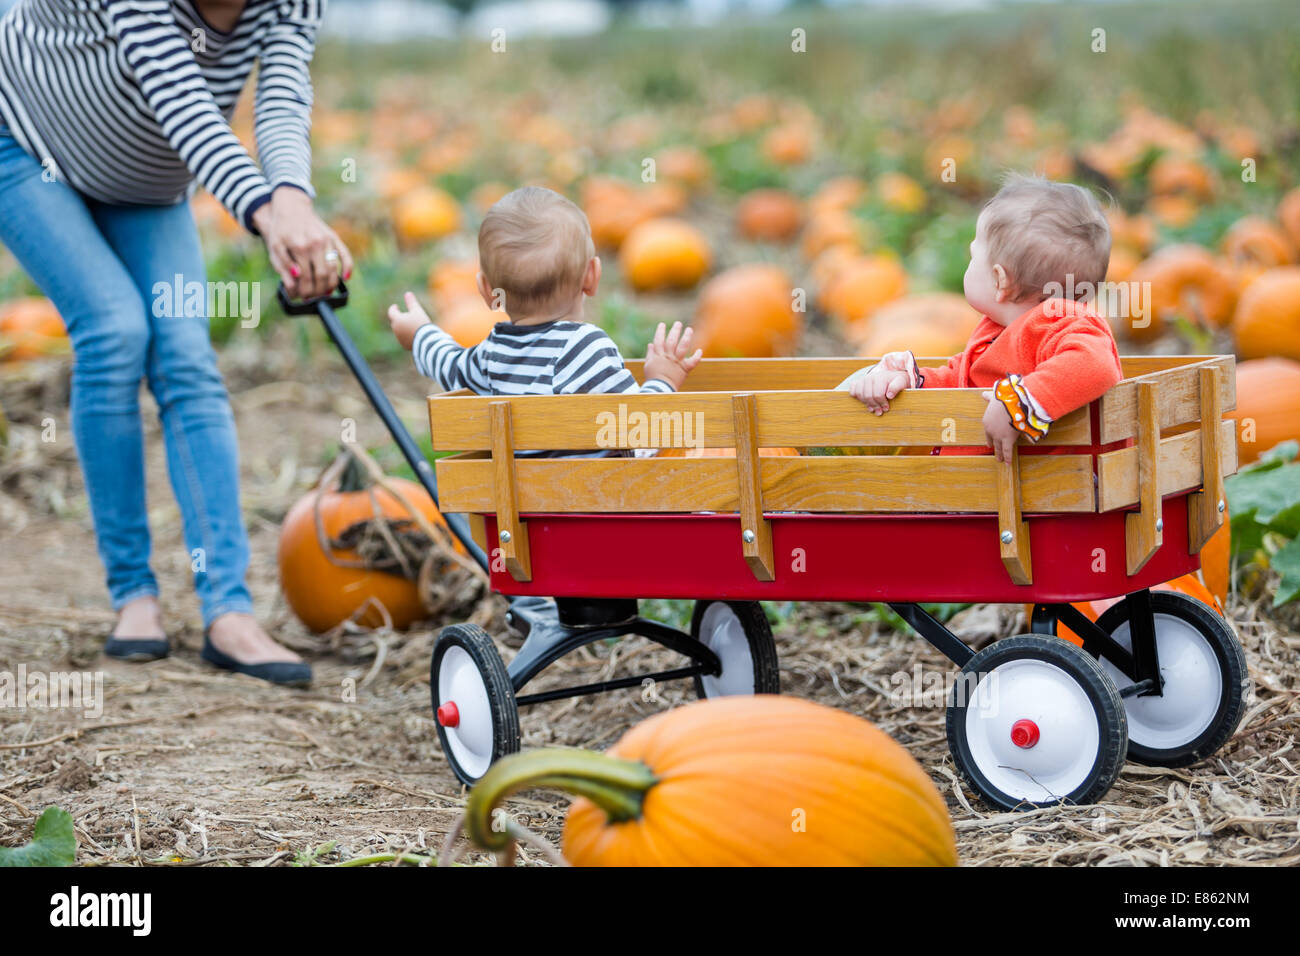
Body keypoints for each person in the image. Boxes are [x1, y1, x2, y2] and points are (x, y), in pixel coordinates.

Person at [0, 1, 351, 685]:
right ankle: (134, 597)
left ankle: (230, 613)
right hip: (24, 141)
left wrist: (293, 197)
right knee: (115, 329)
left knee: (186, 353)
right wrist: (263, 213)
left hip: (146, 183)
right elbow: (183, 101)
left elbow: (280, 94)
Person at [386, 186, 702, 452]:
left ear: (486, 291)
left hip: (531, 519)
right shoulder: (586, 349)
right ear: (592, 277)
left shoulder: (492, 355)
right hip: (601, 516)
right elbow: (639, 436)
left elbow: (448, 363)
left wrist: (418, 334)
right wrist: (662, 381)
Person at [842, 173, 1122, 459]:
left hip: (1059, 495)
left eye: (973, 256)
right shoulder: (997, 330)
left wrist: (1020, 403)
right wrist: (913, 381)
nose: (969, 261)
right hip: (995, 493)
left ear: (1000, 280)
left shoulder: (1062, 321)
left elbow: (1096, 365)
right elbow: (963, 381)